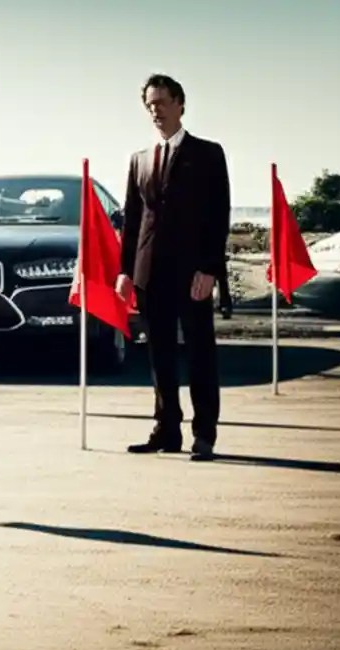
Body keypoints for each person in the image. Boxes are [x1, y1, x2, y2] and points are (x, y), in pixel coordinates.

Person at [116, 74, 231, 462]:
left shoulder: (208, 154)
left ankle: (205, 434)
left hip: (192, 273)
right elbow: (133, 221)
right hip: (151, 274)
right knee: (159, 355)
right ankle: (166, 429)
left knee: (200, 354)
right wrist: (125, 272)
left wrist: (210, 268)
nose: (156, 110)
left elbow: (218, 217)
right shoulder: (139, 160)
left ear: (180, 104)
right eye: (150, 104)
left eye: (163, 102)